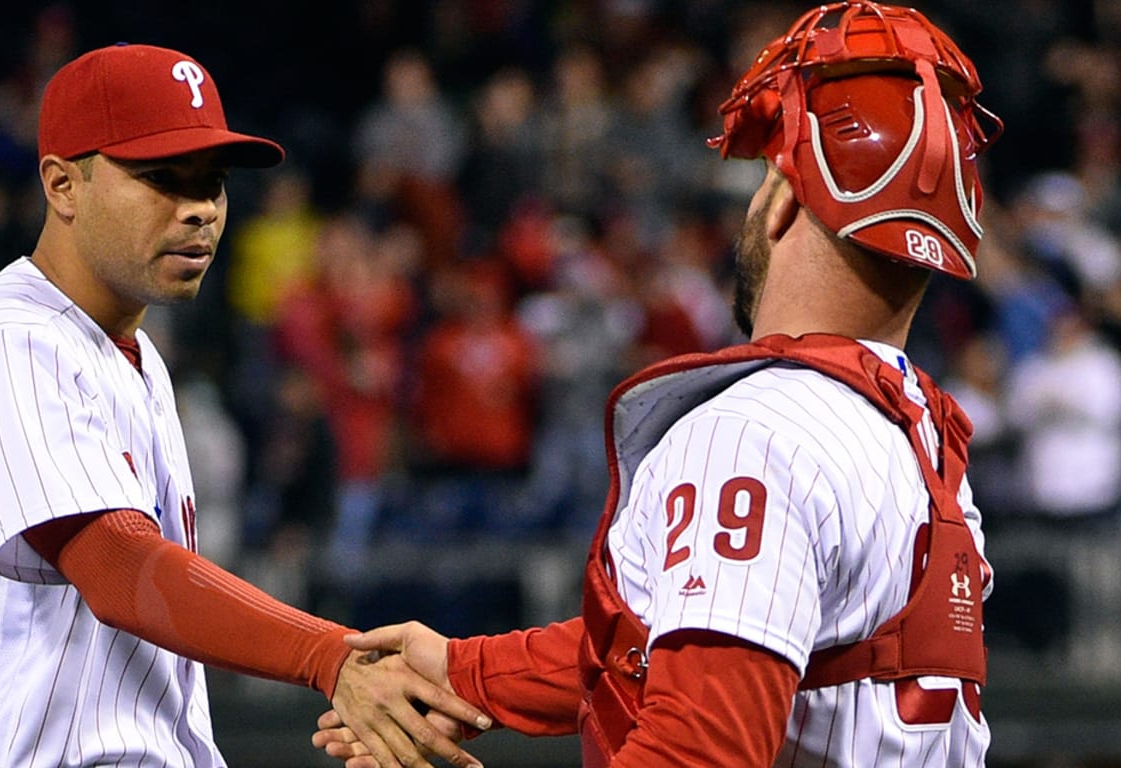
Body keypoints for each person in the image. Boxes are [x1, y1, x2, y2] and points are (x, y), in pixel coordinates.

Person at [314, 2, 999, 765]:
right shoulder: (916, 434)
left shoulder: (752, 433)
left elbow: (699, 750)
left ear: (782, 200)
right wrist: (465, 672)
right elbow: (689, 633)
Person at [0, 43, 491, 768]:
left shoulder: (137, 360)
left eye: (212, 184)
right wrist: (330, 656)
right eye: (162, 179)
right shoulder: (5, 341)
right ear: (63, 185)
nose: (199, 209)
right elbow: (118, 568)